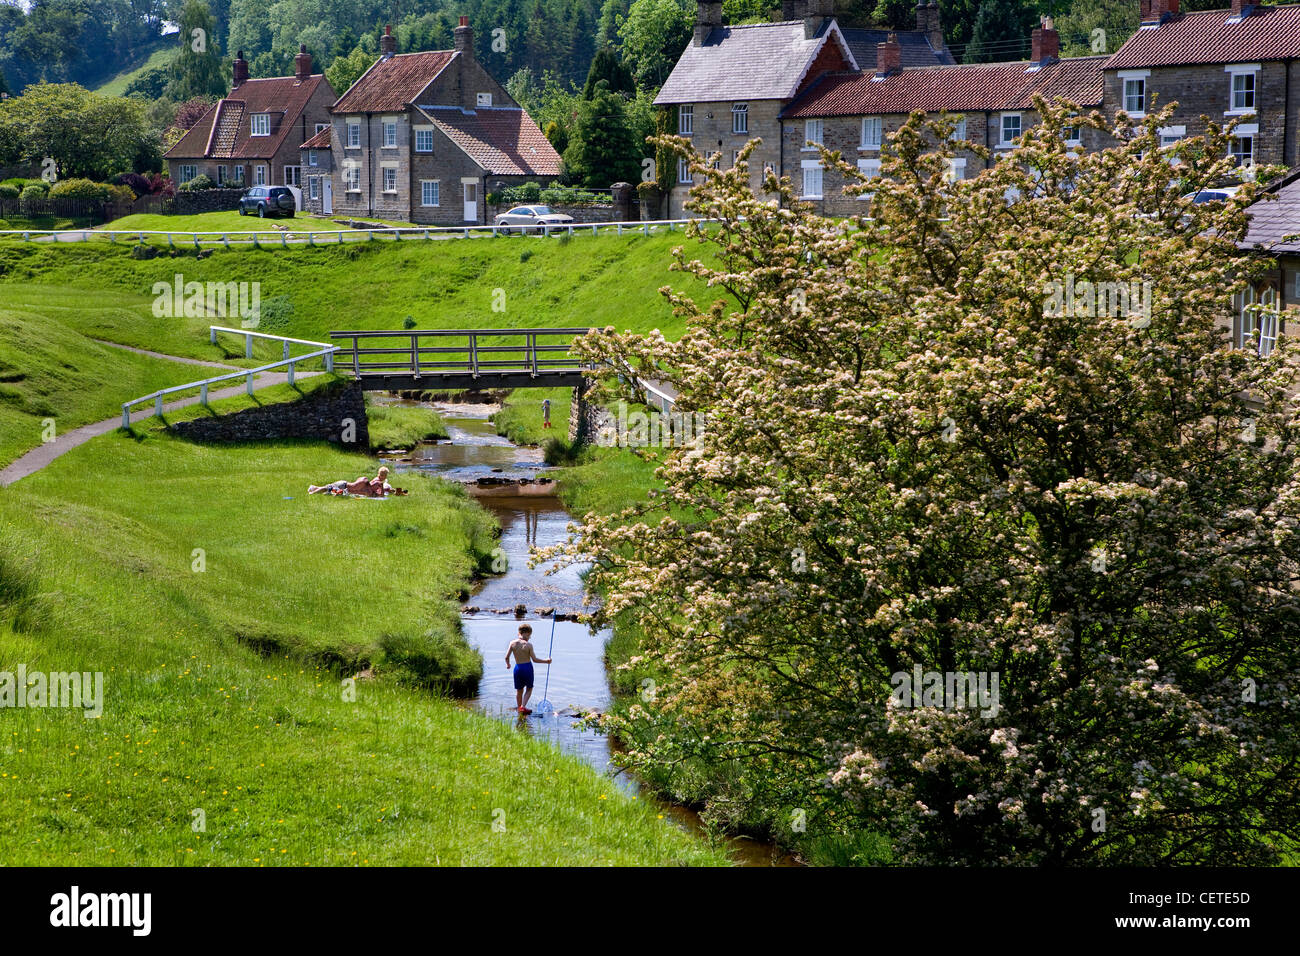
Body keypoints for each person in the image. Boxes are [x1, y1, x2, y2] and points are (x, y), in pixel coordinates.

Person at [505, 623, 551, 714]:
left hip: (517, 669)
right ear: (526, 633)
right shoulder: (528, 645)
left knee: (519, 690)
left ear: (519, 632)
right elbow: (534, 660)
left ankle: (519, 708)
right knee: (529, 688)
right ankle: (523, 706)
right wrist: (546, 661)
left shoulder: (512, 643)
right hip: (527, 668)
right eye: (529, 635)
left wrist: (508, 664)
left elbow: (506, 657)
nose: (529, 637)